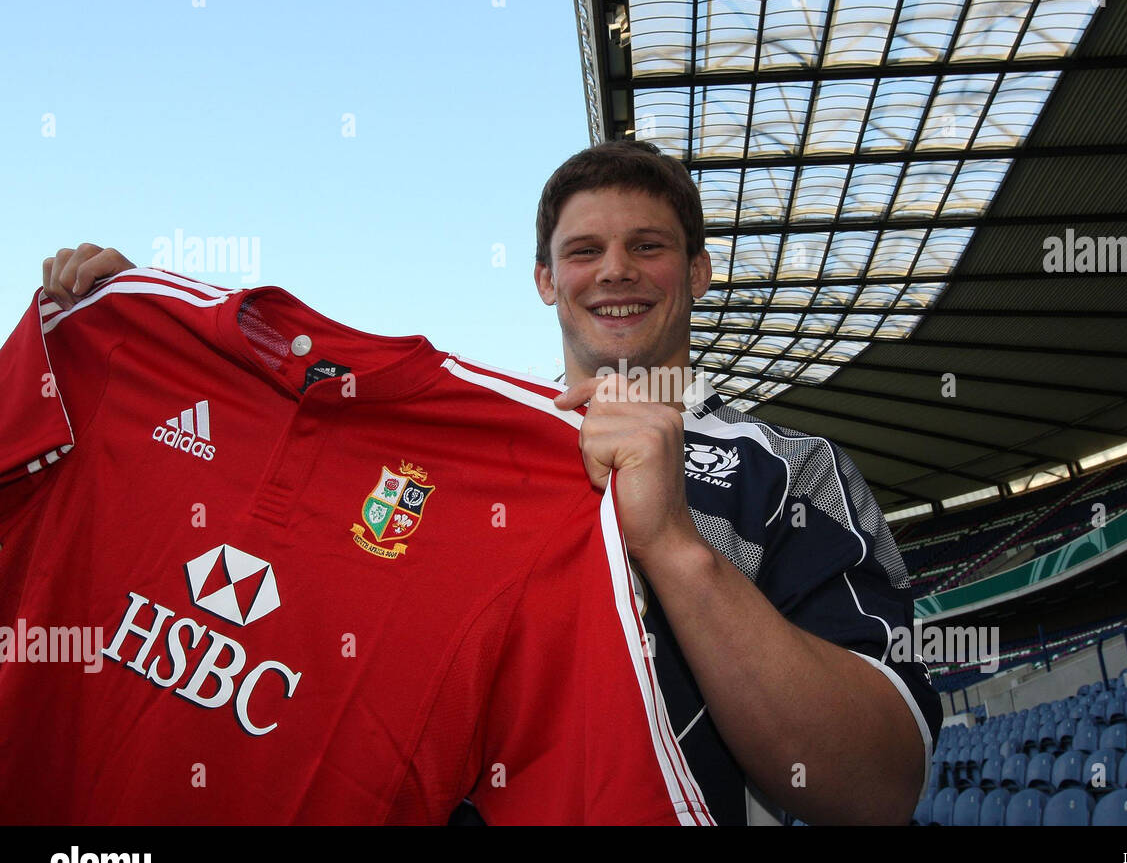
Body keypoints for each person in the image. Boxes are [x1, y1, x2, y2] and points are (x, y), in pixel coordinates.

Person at [42, 139, 940, 825]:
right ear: (547, 281)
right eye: (584, 251)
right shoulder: (463, 463)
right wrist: (144, 342)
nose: (616, 270)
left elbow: (878, 787)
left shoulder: (791, 470)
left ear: (699, 274)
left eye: (649, 247)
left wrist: (675, 549)